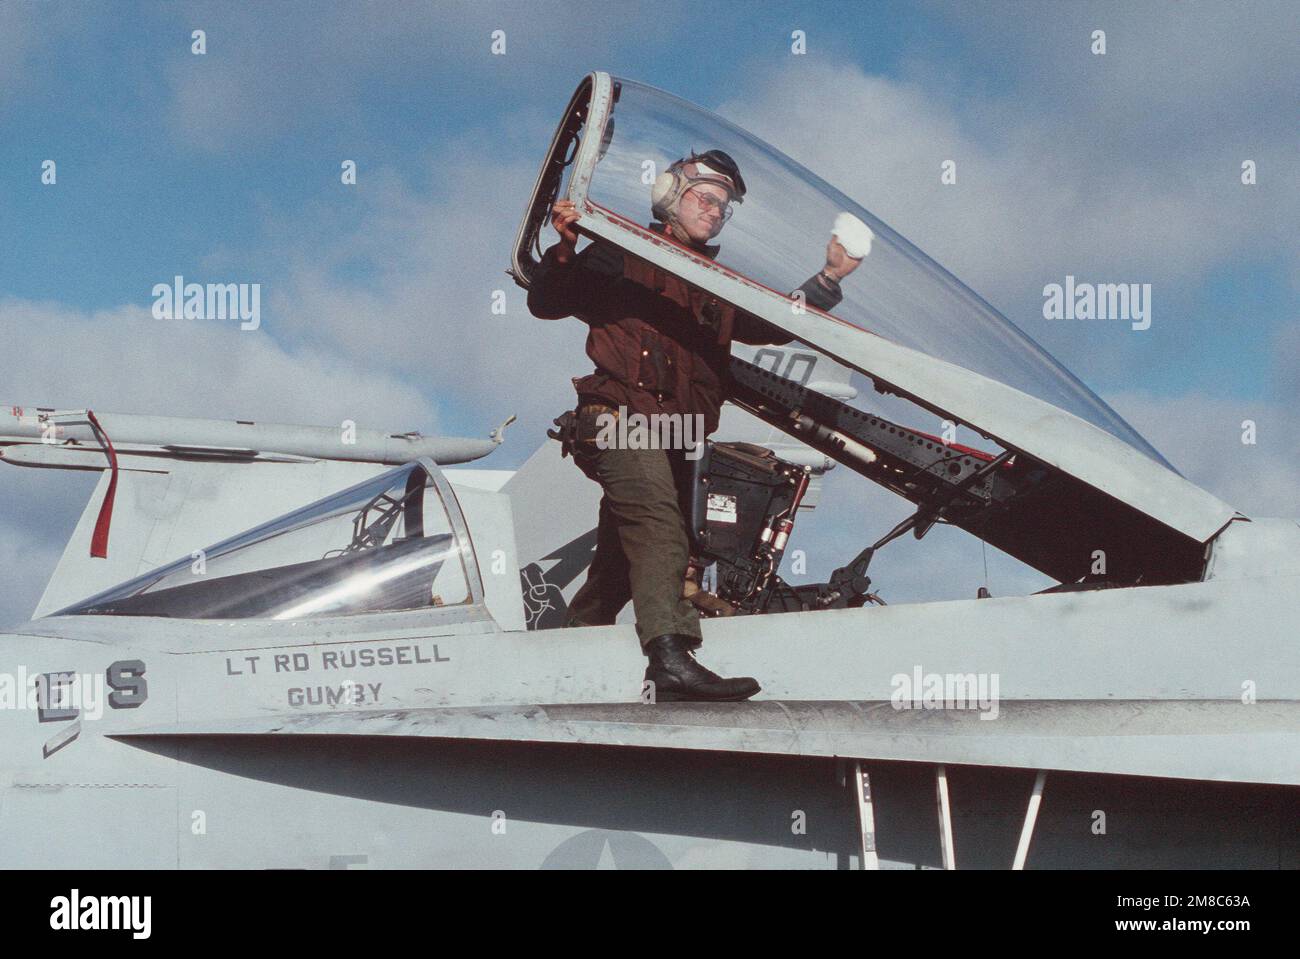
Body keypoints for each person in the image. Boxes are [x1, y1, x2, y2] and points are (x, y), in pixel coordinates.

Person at [527, 149, 863, 702]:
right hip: (617, 420)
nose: (714, 211)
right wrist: (565, 249)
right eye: (705, 198)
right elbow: (549, 301)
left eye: (723, 206)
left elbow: (773, 322)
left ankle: (559, 659)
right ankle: (671, 659)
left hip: (677, 437)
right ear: (669, 197)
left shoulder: (714, 283)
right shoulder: (623, 255)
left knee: (621, 564)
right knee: (661, 529)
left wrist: (827, 279)